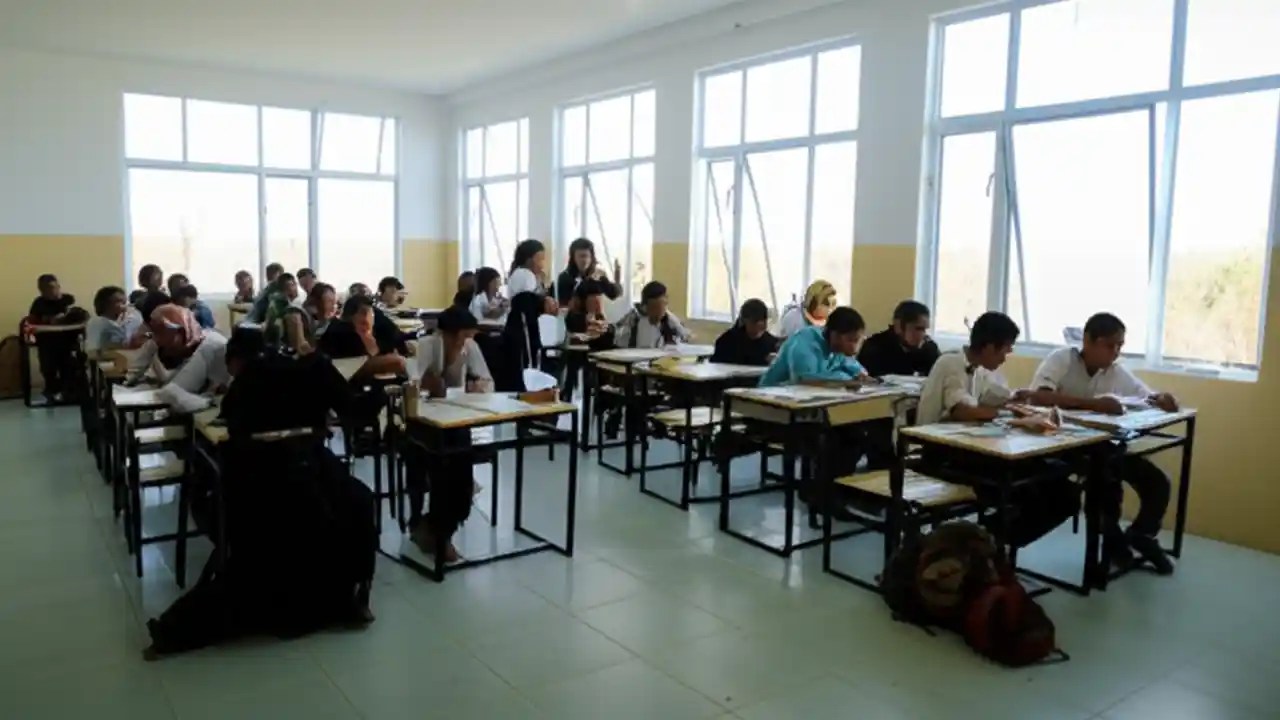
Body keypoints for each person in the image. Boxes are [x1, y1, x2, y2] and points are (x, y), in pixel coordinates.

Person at [144, 328, 376, 658]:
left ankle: (176, 631)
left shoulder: (246, 382)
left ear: (235, 361)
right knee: (356, 502)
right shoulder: (313, 367)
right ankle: (348, 599)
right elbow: (351, 410)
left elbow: (232, 427)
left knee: (250, 553)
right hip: (313, 471)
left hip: (262, 479)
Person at [1025, 312, 1178, 574]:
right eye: (1109, 345)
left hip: (1104, 446)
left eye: (1120, 346)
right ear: (1088, 341)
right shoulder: (1062, 359)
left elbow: (1145, 395)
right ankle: (1111, 546)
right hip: (1061, 447)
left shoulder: (1114, 371)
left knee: (1157, 482)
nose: (1115, 352)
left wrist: (1161, 398)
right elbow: (1039, 397)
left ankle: (1141, 535)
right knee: (1106, 485)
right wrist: (1095, 405)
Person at [916, 312, 1079, 548]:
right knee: (1030, 486)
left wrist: (1016, 404)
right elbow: (962, 411)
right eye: (1004, 351)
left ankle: (988, 540)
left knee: (1062, 489)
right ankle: (983, 543)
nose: (1004, 359)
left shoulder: (979, 370)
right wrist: (1006, 414)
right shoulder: (951, 363)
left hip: (969, 451)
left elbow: (995, 397)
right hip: (940, 455)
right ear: (989, 347)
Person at [404, 307, 494, 562]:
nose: (466, 342)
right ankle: (434, 531)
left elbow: (488, 381)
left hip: (455, 419)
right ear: (447, 334)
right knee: (440, 470)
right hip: (423, 423)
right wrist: (427, 385)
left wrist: (478, 387)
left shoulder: (470, 347)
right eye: (463, 336)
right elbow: (412, 383)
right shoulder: (428, 345)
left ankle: (437, 529)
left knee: (460, 474)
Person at [500, 239, 558, 390]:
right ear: (529, 259)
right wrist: (543, 301)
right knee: (526, 363)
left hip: (525, 322)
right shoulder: (524, 274)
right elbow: (525, 301)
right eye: (540, 259)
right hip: (522, 324)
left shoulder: (527, 275)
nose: (543, 263)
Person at [759, 306, 866, 387]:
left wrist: (861, 377)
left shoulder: (838, 350)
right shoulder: (804, 343)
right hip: (769, 399)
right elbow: (804, 382)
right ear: (835, 335)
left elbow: (857, 371)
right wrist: (846, 382)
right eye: (852, 340)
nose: (854, 347)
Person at [319, 295, 407, 378]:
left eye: (371, 314)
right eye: (364, 313)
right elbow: (351, 367)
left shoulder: (366, 332)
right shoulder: (342, 333)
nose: (367, 320)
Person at [27, 274, 81, 400]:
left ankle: (67, 391)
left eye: (53, 287)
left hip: (67, 340)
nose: (51, 291)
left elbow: (74, 316)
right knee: (48, 368)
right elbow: (33, 322)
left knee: (68, 367)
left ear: (58, 286)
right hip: (47, 341)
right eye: (46, 289)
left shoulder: (68, 300)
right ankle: (52, 391)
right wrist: (50, 320)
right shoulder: (39, 303)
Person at [858, 300, 941, 378]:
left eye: (925, 330)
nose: (923, 335)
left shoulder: (929, 348)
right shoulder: (874, 347)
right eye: (918, 329)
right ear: (898, 326)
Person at [614, 281, 691, 349]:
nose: (664, 309)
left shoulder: (668, 318)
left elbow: (684, 335)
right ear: (646, 306)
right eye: (658, 307)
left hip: (659, 357)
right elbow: (617, 336)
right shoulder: (633, 317)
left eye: (665, 304)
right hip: (635, 356)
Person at [712, 298, 779, 366]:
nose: (759, 328)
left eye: (763, 323)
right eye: (754, 323)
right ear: (744, 321)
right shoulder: (726, 343)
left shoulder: (771, 343)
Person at [555, 238, 622, 306]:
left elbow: (613, 294)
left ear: (591, 257)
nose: (584, 260)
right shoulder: (564, 278)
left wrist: (617, 280)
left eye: (587, 256)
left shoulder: (598, 277)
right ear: (573, 258)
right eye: (581, 256)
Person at [85, 286, 144, 354]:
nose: (124, 307)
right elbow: (124, 345)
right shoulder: (102, 323)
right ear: (105, 304)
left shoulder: (95, 321)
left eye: (124, 303)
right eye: (119, 302)